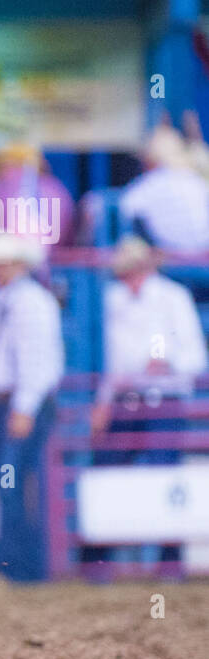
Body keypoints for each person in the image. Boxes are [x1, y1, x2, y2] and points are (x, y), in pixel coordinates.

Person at [83, 235, 207, 572]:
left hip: (163, 400)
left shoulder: (172, 298)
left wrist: (165, 362)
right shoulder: (113, 300)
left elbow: (195, 357)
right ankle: (98, 560)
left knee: (164, 476)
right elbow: (111, 360)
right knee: (107, 472)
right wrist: (104, 401)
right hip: (126, 400)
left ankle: (168, 562)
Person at [0, 233, 64, 581]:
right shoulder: (6, 300)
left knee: (13, 483)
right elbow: (1, 355)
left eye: (3, 263)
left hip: (21, 404)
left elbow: (37, 360)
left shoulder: (28, 302)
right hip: (12, 402)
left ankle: (21, 567)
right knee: (13, 483)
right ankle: (19, 566)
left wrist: (24, 407)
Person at [118, 123, 209, 254]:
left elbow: (125, 208)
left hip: (171, 252)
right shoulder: (194, 179)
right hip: (204, 248)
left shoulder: (151, 183)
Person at [0, 142, 77, 258]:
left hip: (34, 258)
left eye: (7, 166)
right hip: (37, 258)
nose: (2, 173)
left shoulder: (18, 188)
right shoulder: (54, 187)